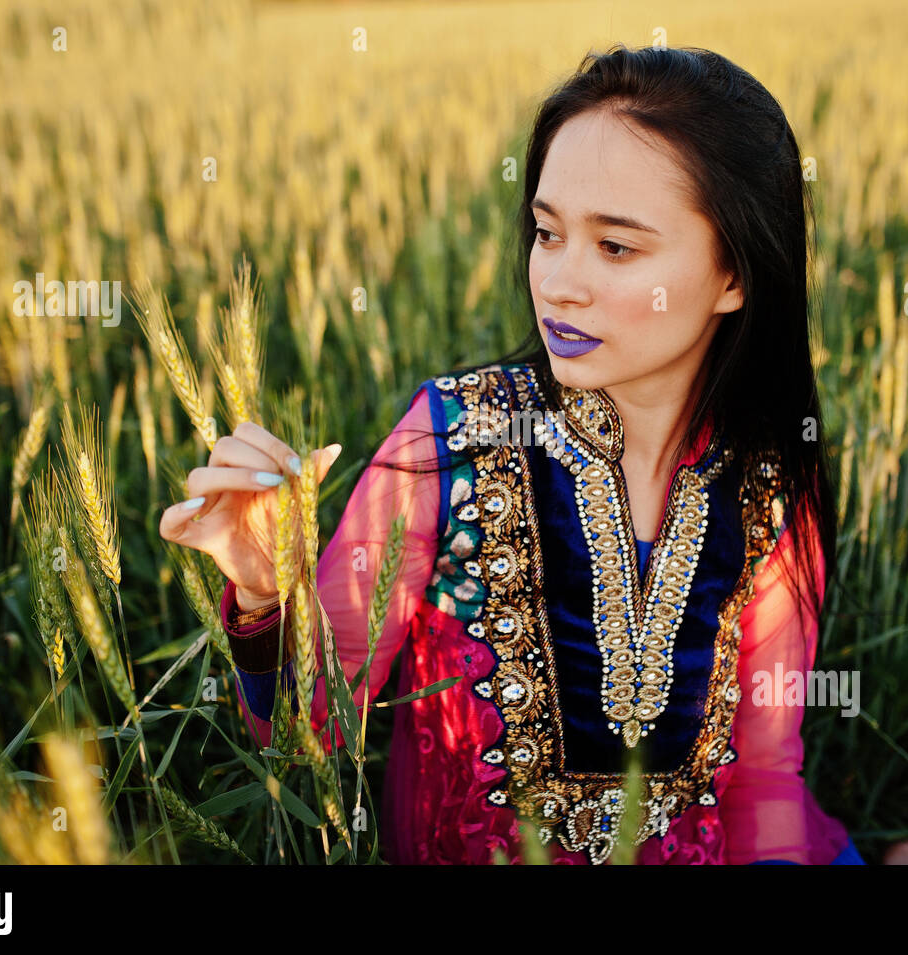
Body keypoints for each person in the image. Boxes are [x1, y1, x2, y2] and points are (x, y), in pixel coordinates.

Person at [162, 43, 865, 865]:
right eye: (547, 232)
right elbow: (306, 736)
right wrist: (261, 591)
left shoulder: (773, 482)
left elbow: (762, 778)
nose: (559, 282)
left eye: (616, 248)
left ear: (734, 276)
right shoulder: (446, 439)